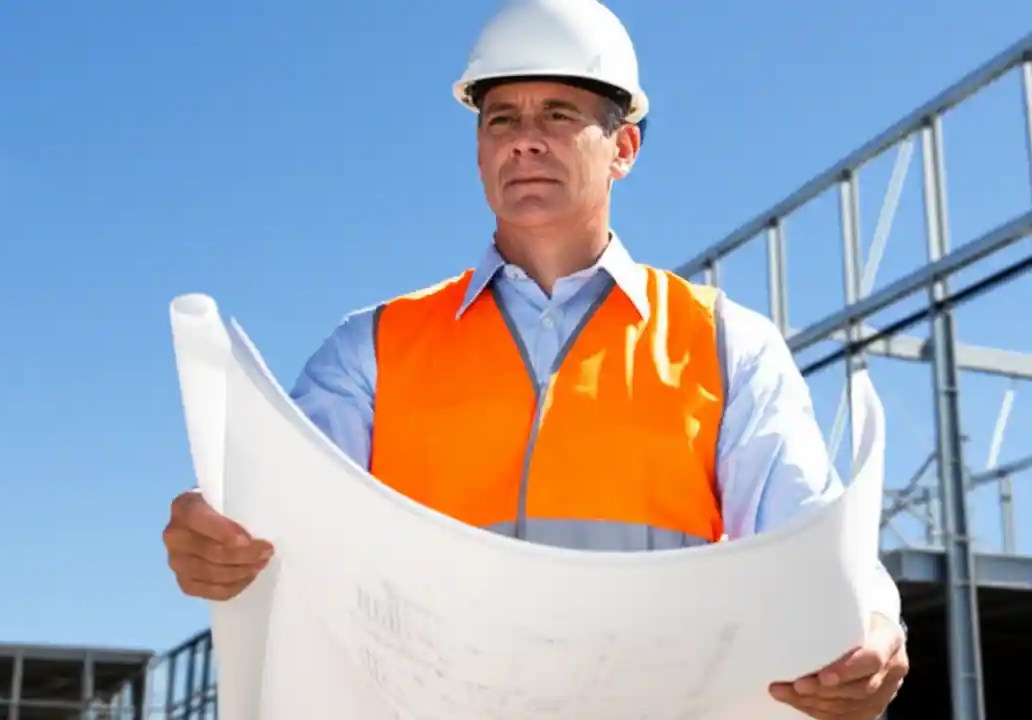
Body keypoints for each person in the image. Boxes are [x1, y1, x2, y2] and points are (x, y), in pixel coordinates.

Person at [161, 0, 909, 717]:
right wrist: (214, 537)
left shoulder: (724, 347)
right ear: (480, 148)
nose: (524, 140)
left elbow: (808, 545)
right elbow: (278, 526)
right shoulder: (373, 353)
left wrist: (872, 625)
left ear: (624, 148)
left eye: (558, 114)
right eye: (501, 119)